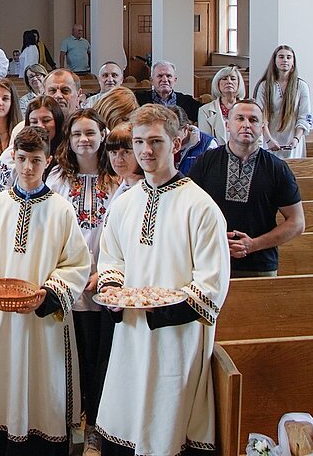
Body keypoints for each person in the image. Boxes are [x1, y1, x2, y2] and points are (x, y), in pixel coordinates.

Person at [95, 104, 230, 456]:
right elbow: (112, 259)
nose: (145, 151)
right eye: (139, 142)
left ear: (177, 141)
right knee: (125, 414)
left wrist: (162, 307)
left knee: (166, 423)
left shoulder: (200, 206)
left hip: (178, 338)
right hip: (130, 335)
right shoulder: (124, 204)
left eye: (156, 141)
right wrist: (111, 288)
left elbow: (212, 283)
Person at [0, 126, 90, 455]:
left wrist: (48, 295)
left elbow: (76, 263)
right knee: (0, 385)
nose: (28, 168)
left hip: (45, 321)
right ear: (13, 159)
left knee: (43, 388)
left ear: (47, 161)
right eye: (21, 159)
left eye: (35, 160)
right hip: (3, 320)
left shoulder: (62, 209)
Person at [52, 109, 120, 455]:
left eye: (90, 133)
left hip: (105, 285)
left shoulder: (117, 182)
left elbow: (121, 236)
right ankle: (68, 423)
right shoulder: (57, 181)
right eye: (77, 133)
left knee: (99, 358)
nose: (84, 140)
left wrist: (102, 273)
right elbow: (49, 233)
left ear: (103, 135)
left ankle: (95, 424)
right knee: (69, 356)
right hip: (68, 285)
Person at [188, 99, 305, 278]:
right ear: (227, 125)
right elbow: (187, 211)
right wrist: (213, 240)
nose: (246, 125)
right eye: (240, 118)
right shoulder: (205, 162)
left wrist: (254, 244)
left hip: (260, 265)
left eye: (253, 120)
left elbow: (297, 223)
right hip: (211, 263)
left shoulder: (276, 168)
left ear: (262, 127)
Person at [253, 45, 313, 160]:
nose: (285, 60)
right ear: (275, 61)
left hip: (293, 139)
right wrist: (269, 140)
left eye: (288, 57)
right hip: (269, 139)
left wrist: (296, 139)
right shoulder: (265, 86)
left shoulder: (301, 86)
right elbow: (260, 115)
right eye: (281, 57)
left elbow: (305, 116)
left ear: (293, 62)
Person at [134, 60, 201, 122]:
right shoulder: (139, 99)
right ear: (151, 81)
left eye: (169, 76)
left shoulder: (187, 102)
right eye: (160, 76)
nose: (165, 79)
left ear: (175, 80)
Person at [197, 65, 244, 146]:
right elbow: (206, 143)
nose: (229, 81)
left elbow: (257, 139)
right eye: (224, 79)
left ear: (239, 83)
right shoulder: (205, 110)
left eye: (233, 79)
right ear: (217, 84)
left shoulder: (249, 108)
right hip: (217, 156)